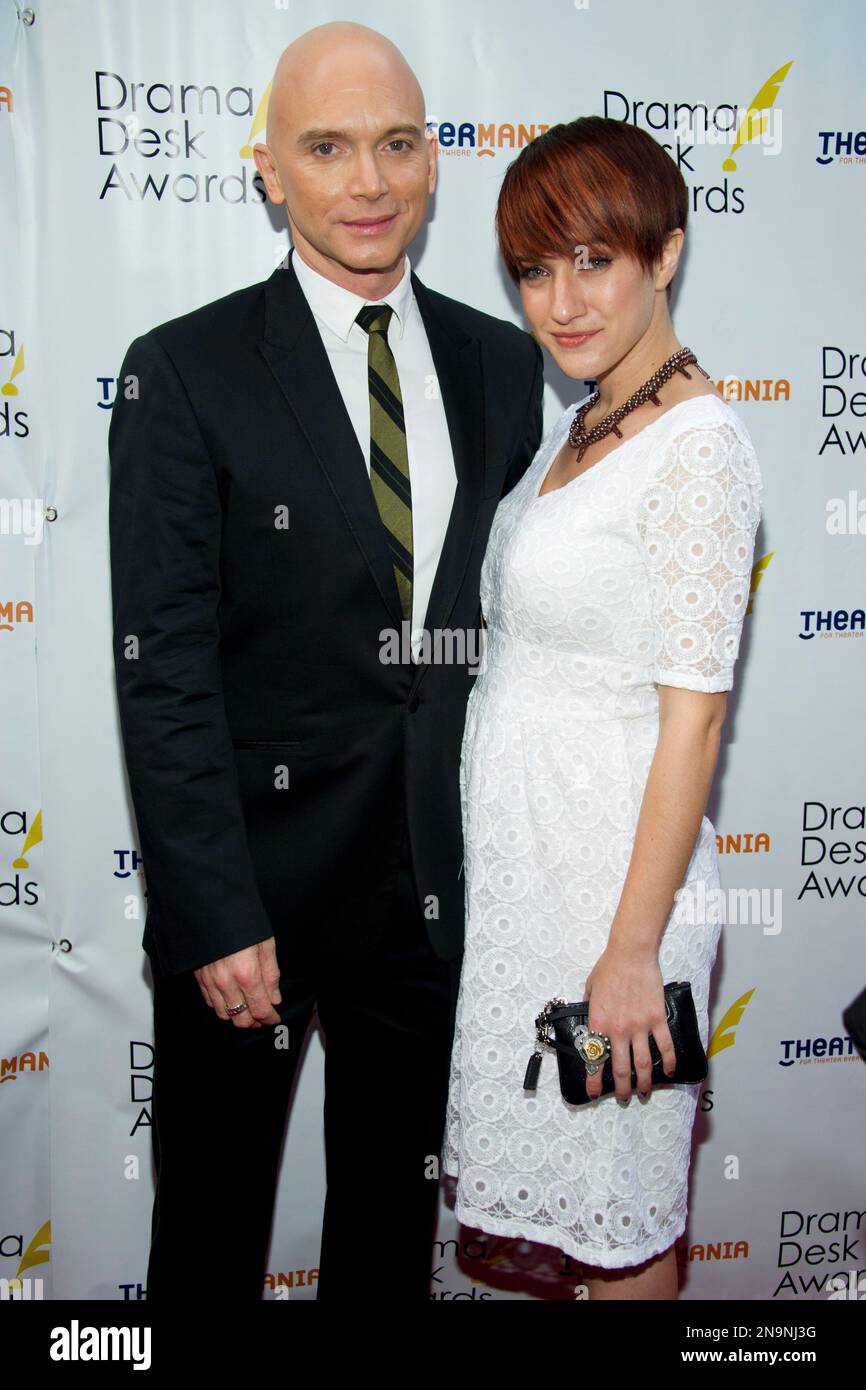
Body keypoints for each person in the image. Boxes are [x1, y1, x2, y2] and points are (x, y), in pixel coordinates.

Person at [108, 20, 543, 1300]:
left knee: (386, 1244)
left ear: (431, 161)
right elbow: (163, 661)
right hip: (254, 904)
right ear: (268, 171)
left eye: (397, 143)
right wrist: (213, 909)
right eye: (328, 147)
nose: (368, 181)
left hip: (432, 896)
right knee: (209, 1238)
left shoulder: (505, 361)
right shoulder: (182, 371)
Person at [441, 116, 763, 1300]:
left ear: (663, 254)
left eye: (593, 261)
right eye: (533, 269)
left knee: (620, 1230)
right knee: (568, 1216)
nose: (561, 301)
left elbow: (695, 717)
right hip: (532, 887)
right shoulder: (573, 431)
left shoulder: (697, 449)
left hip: (612, 900)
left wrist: (629, 951)